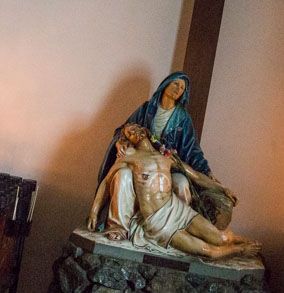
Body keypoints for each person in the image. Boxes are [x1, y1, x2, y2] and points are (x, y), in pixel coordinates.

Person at [88, 124, 258, 260]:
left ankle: (244, 243)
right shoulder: (130, 156)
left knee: (221, 239)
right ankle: (239, 250)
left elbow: (196, 176)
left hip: (178, 209)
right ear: (128, 139)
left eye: (135, 127)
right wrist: (94, 212)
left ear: (145, 131)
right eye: (129, 132)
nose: (134, 131)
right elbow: (106, 182)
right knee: (207, 250)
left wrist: (223, 189)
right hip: (159, 220)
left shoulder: (166, 156)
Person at [96, 72, 233, 230]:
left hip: (168, 166)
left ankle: (176, 229)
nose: (178, 89)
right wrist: (120, 145)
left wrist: (207, 171)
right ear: (166, 84)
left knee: (181, 184)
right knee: (122, 175)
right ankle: (120, 227)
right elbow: (123, 130)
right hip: (141, 163)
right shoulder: (146, 109)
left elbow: (192, 149)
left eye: (182, 88)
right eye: (175, 84)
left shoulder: (182, 118)